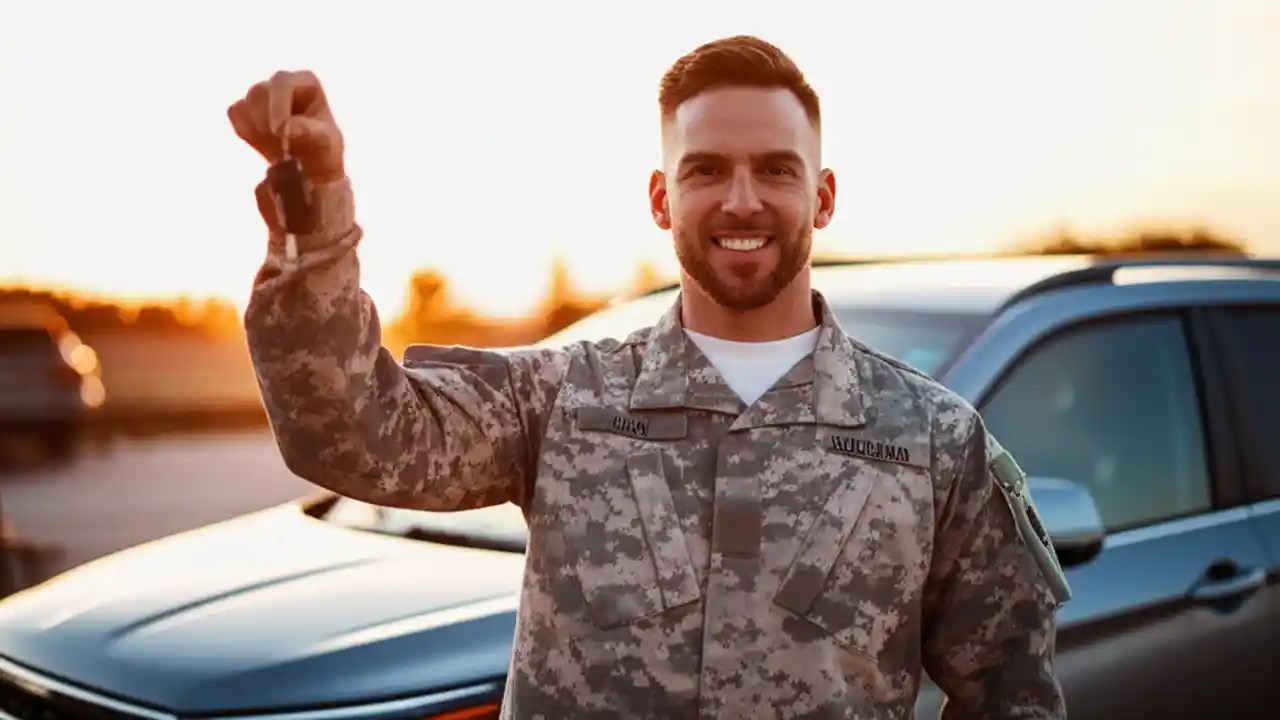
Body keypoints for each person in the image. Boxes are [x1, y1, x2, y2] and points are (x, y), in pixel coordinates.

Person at [228, 34, 1070, 719]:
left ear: (824, 197)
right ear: (662, 199)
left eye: (777, 168)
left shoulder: (932, 439)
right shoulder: (561, 400)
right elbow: (351, 436)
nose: (741, 200)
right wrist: (316, 205)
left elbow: (1011, 690)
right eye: (706, 170)